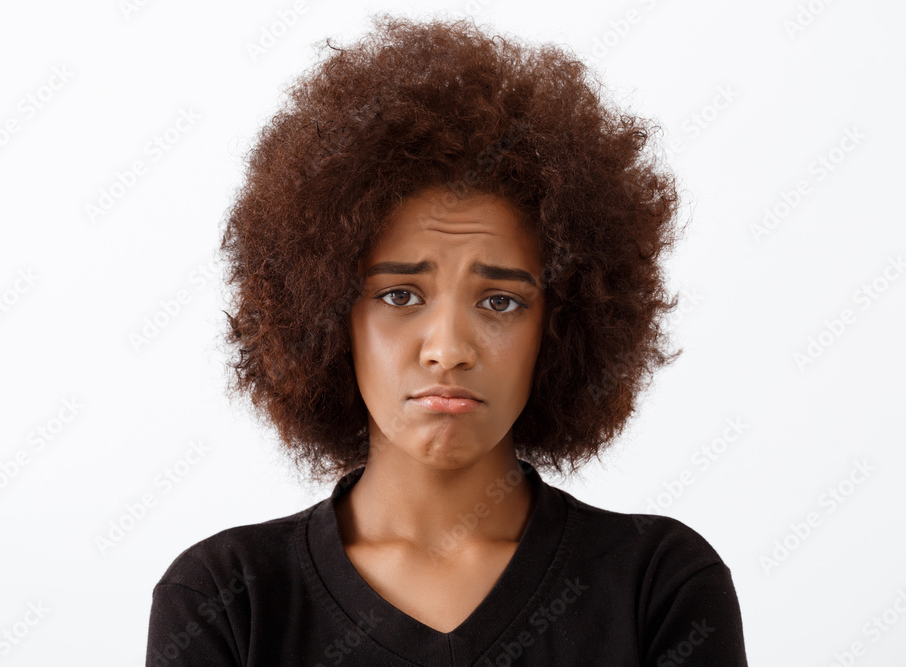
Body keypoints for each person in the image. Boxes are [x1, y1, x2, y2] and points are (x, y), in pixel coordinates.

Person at [146, 12, 748, 666]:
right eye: (399, 295)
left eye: (500, 300)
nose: (448, 347)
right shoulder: (230, 598)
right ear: (326, 316)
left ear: (563, 325)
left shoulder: (654, 586)